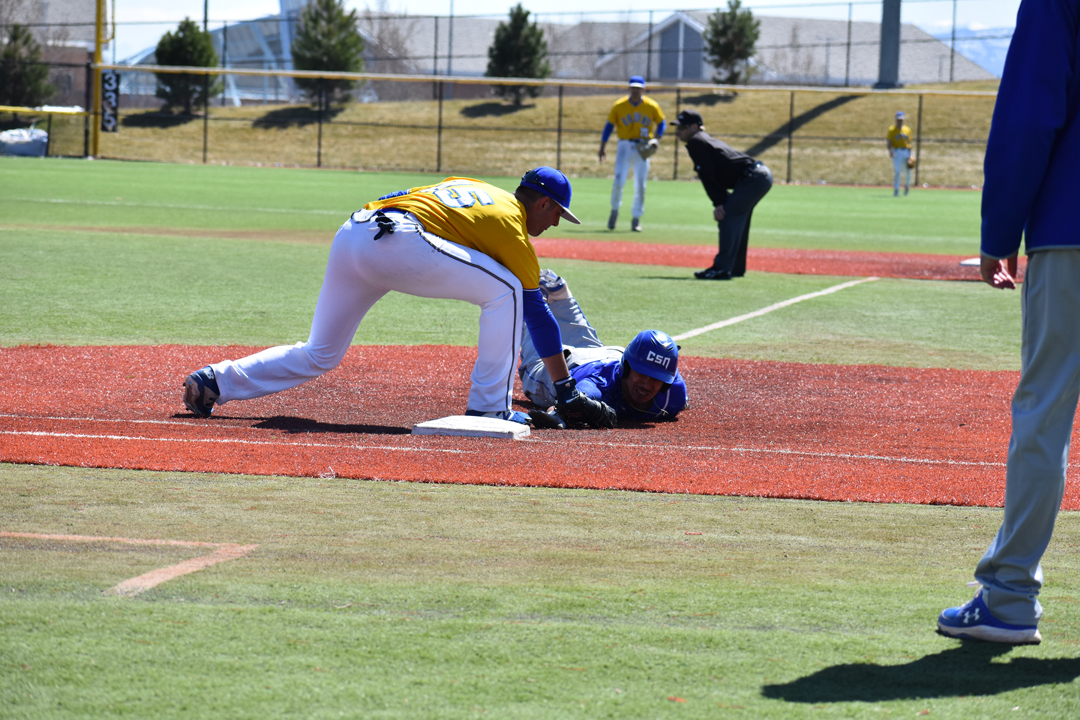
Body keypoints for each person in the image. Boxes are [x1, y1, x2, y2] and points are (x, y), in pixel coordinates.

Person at [182, 168, 616, 430]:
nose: (557, 222)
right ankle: (490, 410)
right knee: (508, 290)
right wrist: (565, 390)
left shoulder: (472, 186)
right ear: (541, 204)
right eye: (558, 212)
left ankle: (214, 381)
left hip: (355, 231)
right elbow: (538, 315)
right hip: (399, 241)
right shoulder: (512, 226)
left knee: (320, 352)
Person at [936, 0, 1080, 646]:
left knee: (1045, 411)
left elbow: (1029, 114)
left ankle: (1010, 594)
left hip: (1071, 228)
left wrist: (998, 232)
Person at [518, 269, 688, 425]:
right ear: (627, 367)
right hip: (567, 366)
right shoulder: (597, 386)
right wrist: (559, 415)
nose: (646, 384)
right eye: (643, 374)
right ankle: (531, 291)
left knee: (542, 308)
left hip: (604, 354)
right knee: (532, 320)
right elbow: (568, 404)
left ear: (666, 383)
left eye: (656, 378)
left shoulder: (674, 394)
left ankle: (553, 294)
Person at [674, 108, 773, 281]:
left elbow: (707, 173)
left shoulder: (697, 141)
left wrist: (719, 202)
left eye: (682, 127)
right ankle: (734, 267)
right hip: (756, 176)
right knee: (737, 219)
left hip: (752, 178)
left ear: (695, 127)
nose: (678, 131)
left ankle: (721, 269)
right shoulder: (701, 139)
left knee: (727, 215)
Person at [598, 75, 666, 232]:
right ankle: (614, 211)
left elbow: (661, 122)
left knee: (641, 185)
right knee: (619, 181)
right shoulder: (619, 105)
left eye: (638, 88)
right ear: (629, 88)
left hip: (643, 147)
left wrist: (657, 138)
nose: (635, 91)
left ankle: (636, 218)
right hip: (624, 145)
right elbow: (609, 126)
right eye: (633, 87)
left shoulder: (651, 106)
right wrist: (603, 146)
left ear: (643, 89)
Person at [886, 110, 913, 197]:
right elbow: (889, 142)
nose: (900, 121)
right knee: (897, 171)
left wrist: (911, 153)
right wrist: (890, 151)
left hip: (906, 150)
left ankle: (906, 186)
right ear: (895, 120)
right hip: (897, 151)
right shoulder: (892, 130)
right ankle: (896, 189)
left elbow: (909, 142)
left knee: (908, 171)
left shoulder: (907, 129)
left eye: (901, 119)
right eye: (898, 119)